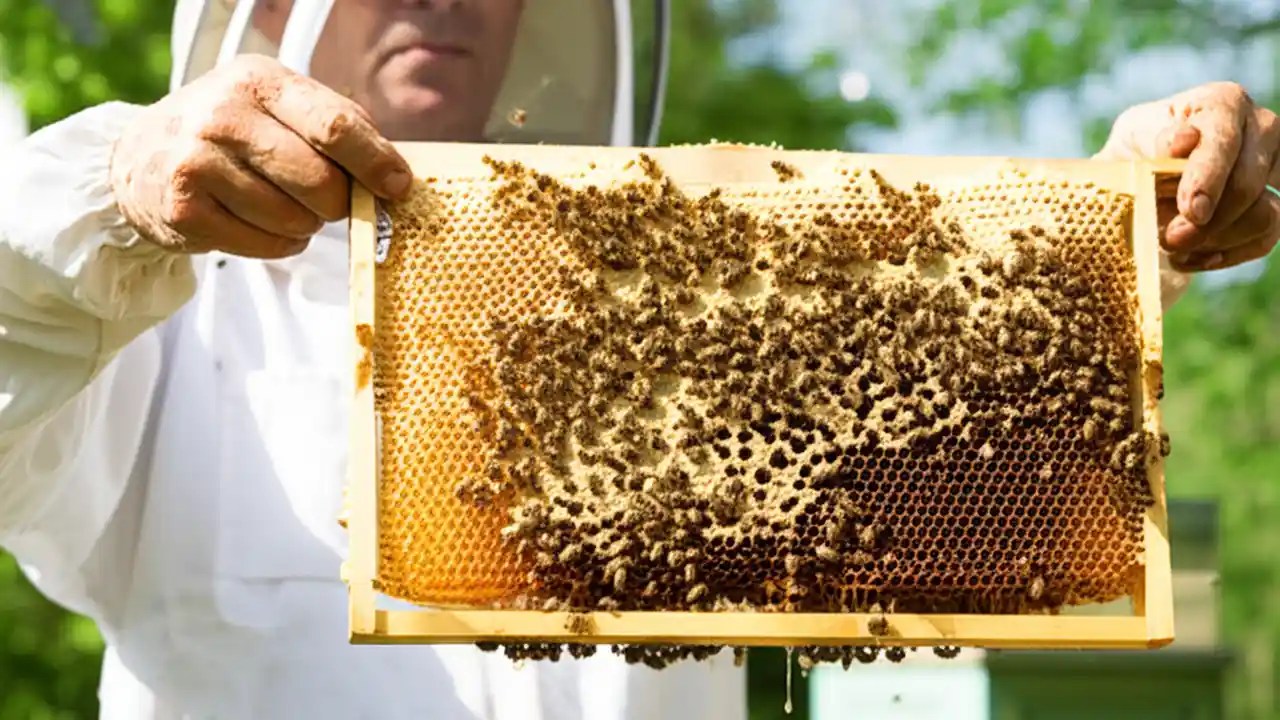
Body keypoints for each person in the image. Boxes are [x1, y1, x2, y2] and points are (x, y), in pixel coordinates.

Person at [0, 0, 1275, 718]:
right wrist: (107, 187)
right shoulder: (151, 316)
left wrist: (1122, 221)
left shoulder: (701, 310)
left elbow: (965, 419)